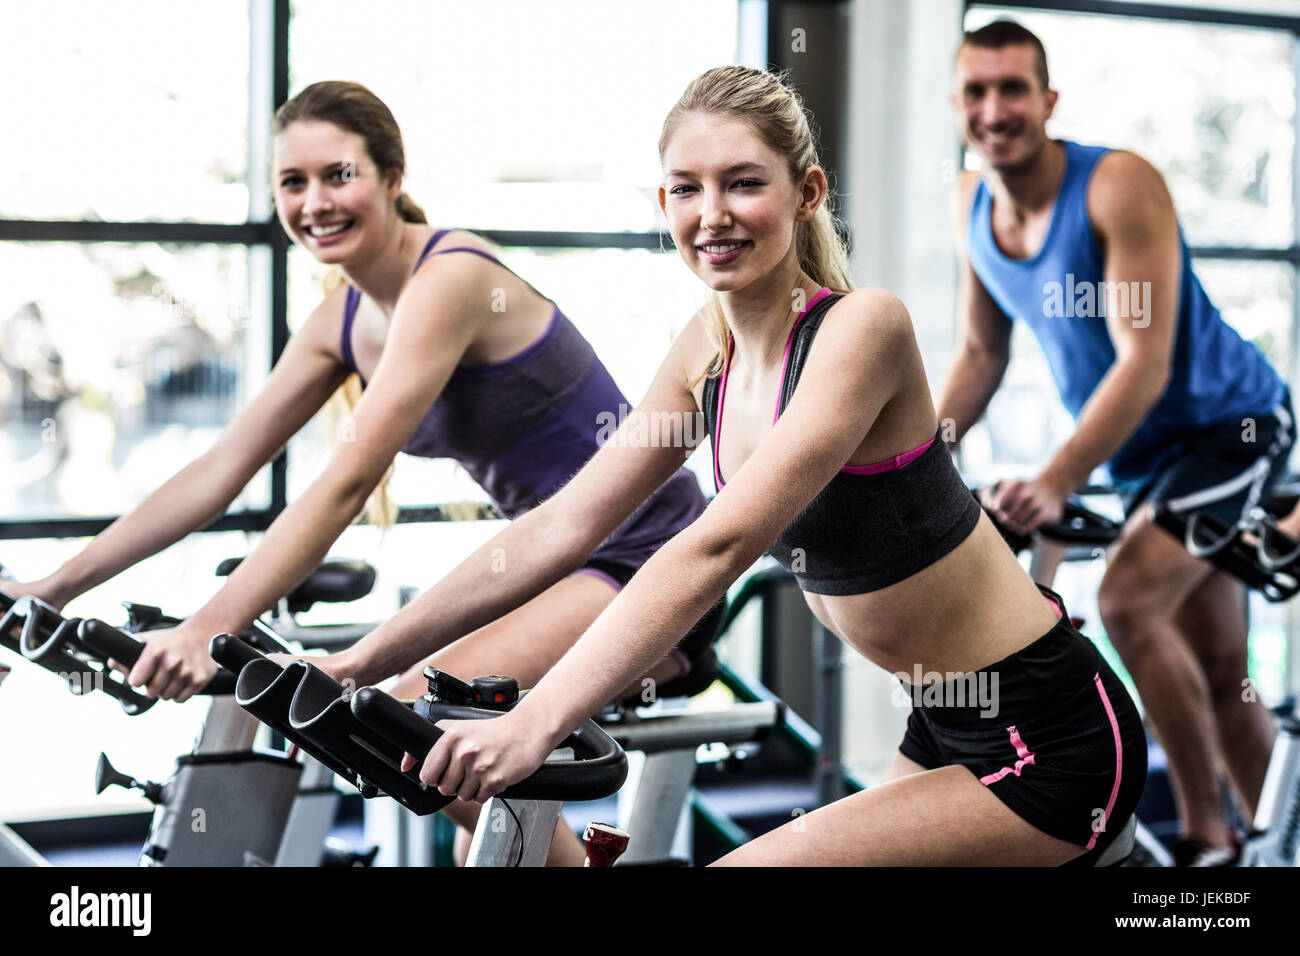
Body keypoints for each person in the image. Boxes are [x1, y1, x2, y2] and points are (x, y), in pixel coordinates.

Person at [319, 65, 1147, 866]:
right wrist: (365, 659)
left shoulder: (862, 330)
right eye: (687, 188)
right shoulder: (704, 352)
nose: (713, 214)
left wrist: (536, 722)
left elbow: (715, 549)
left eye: (743, 183)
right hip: (940, 721)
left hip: (1048, 734)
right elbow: (566, 525)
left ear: (808, 194)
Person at [1, 80, 715, 863]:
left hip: (647, 560)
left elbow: (344, 483)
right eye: (292, 182)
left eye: (338, 175)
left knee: (406, 726)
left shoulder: (453, 276)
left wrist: (211, 625)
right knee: (401, 738)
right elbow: (220, 467)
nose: (315, 202)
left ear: (392, 179)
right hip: (554, 567)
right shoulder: (340, 316)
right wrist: (54, 586)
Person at [937, 20, 1290, 865]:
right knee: (1215, 663)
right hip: (1145, 462)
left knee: (1130, 600)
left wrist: (1058, 479)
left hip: (1229, 431)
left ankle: (1210, 843)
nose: (995, 109)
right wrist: (911, 464)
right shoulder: (972, 204)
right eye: (976, 92)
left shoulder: (1116, 185)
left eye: (1013, 88)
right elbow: (983, 355)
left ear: (1048, 100)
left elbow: (1144, 360)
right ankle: (1280, 843)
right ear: (957, 106)